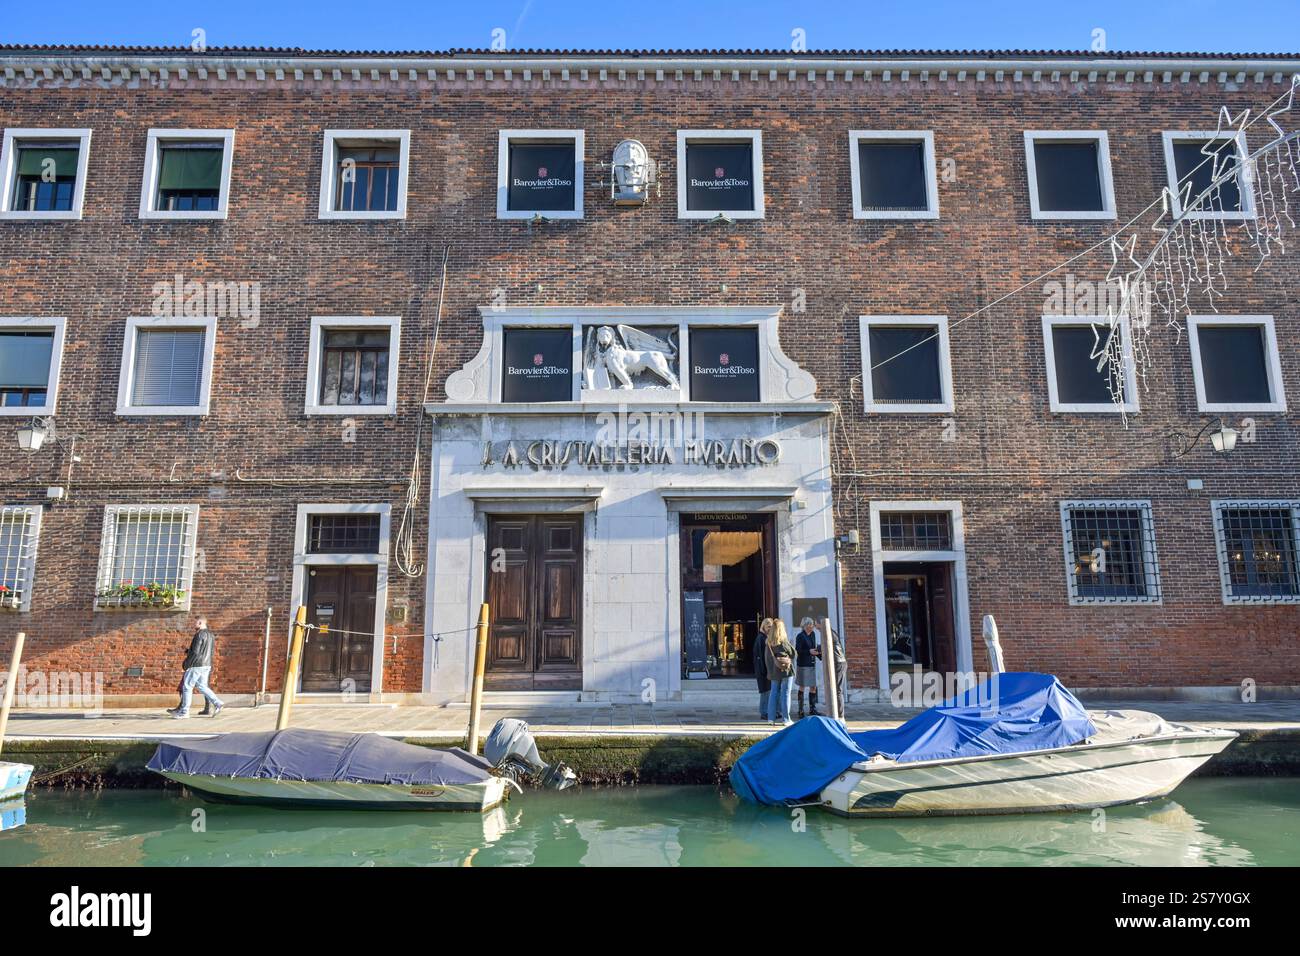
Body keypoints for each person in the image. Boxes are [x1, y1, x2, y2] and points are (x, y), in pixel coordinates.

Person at [167, 618, 224, 719]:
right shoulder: (211, 635)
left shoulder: (199, 634)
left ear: (201, 623)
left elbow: (196, 652)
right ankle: (218, 703)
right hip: (206, 664)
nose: (194, 624)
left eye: (196, 622)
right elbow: (208, 651)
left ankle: (184, 712)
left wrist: (186, 664)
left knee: (187, 687)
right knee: (202, 686)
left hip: (196, 664)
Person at [763, 619, 796, 726]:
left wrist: (770, 671)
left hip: (774, 671)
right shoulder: (784, 642)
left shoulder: (768, 642)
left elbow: (767, 659)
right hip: (786, 670)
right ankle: (786, 719)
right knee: (785, 693)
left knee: (773, 693)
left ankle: (771, 718)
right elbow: (794, 654)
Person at [795, 617, 822, 718]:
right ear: (805, 626)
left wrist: (818, 652)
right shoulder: (800, 636)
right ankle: (800, 710)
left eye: (812, 624)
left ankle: (812, 708)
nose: (812, 626)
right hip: (803, 664)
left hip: (812, 663)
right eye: (810, 625)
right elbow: (798, 651)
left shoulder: (813, 634)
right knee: (802, 686)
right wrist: (809, 652)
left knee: (813, 686)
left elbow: (813, 647)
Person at [754, 618, 773, 721]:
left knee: (767, 691)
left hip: (765, 670)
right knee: (765, 692)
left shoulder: (764, 637)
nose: (770, 628)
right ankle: (763, 712)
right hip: (762, 670)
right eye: (768, 626)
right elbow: (760, 657)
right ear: (763, 627)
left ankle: (767, 711)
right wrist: (764, 671)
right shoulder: (761, 638)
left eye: (771, 626)